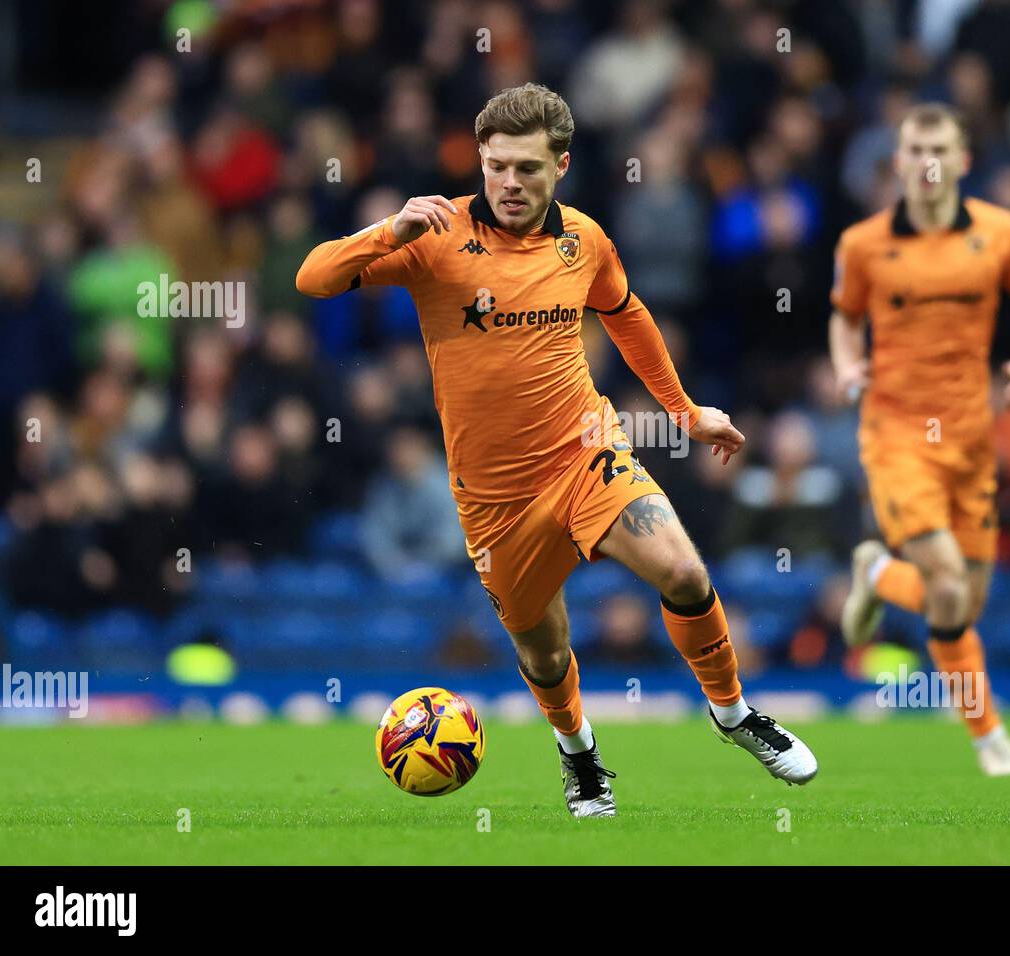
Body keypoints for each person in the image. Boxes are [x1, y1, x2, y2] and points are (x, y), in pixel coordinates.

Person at [298, 83, 816, 817]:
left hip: (584, 452)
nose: (510, 183)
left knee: (683, 571)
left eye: (528, 169)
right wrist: (388, 228)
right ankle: (582, 759)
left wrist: (685, 412)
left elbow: (626, 313)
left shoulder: (584, 241)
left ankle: (734, 715)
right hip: (494, 500)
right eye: (497, 166)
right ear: (480, 161)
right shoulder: (434, 236)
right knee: (544, 652)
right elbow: (313, 278)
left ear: (560, 166)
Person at [829, 103, 1010, 776]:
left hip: (971, 437)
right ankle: (991, 738)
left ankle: (874, 572)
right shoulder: (864, 245)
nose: (927, 162)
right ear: (898, 161)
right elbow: (844, 320)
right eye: (914, 149)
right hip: (896, 433)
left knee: (965, 602)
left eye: (940, 149)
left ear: (962, 161)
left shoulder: (1001, 233)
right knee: (950, 586)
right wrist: (848, 364)